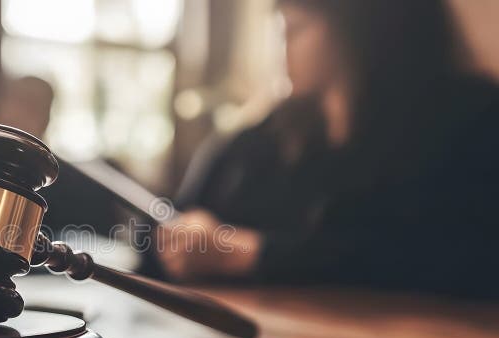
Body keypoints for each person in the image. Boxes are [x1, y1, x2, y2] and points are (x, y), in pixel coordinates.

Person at [157, 0, 499, 297]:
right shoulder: (269, 136)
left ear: (364, 27)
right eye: (282, 29)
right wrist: (190, 237)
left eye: (297, 28)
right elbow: (182, 218)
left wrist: (245, 254)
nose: (284, 46)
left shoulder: (470, 122)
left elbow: (444, 257)